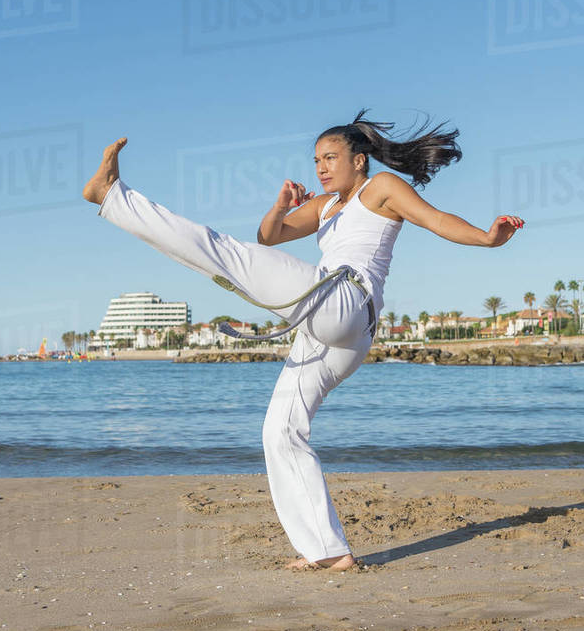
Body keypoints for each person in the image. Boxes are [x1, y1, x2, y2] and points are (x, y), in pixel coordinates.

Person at [81, 110, 524, 571]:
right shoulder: (325, 207)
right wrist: (281, 204)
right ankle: (328, 551)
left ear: (360, 159)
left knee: (228, 255)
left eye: (331, 157)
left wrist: (488, 239)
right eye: (316, 160)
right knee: (280, 430)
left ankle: (112, 197)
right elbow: (269, 237)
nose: (322, 168)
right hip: (334, 332)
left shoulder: (382, 189)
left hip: (347, 301)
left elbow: (435, 221)